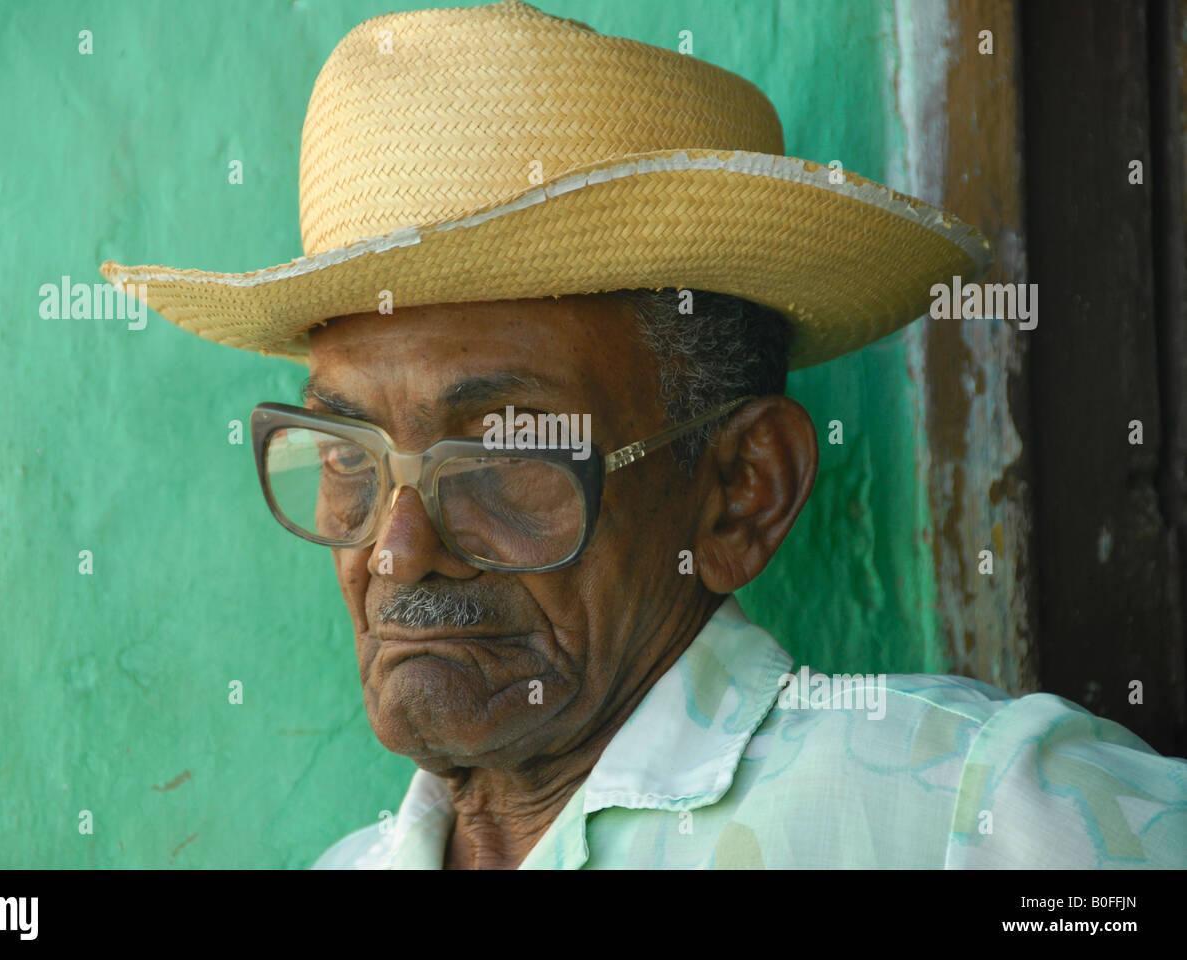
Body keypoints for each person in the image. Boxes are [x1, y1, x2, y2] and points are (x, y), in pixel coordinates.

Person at [101, 1, 1186, 868]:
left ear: (739, 489)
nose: (394, 552)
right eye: (346, 454)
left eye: (503, 451)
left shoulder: (972, 813)